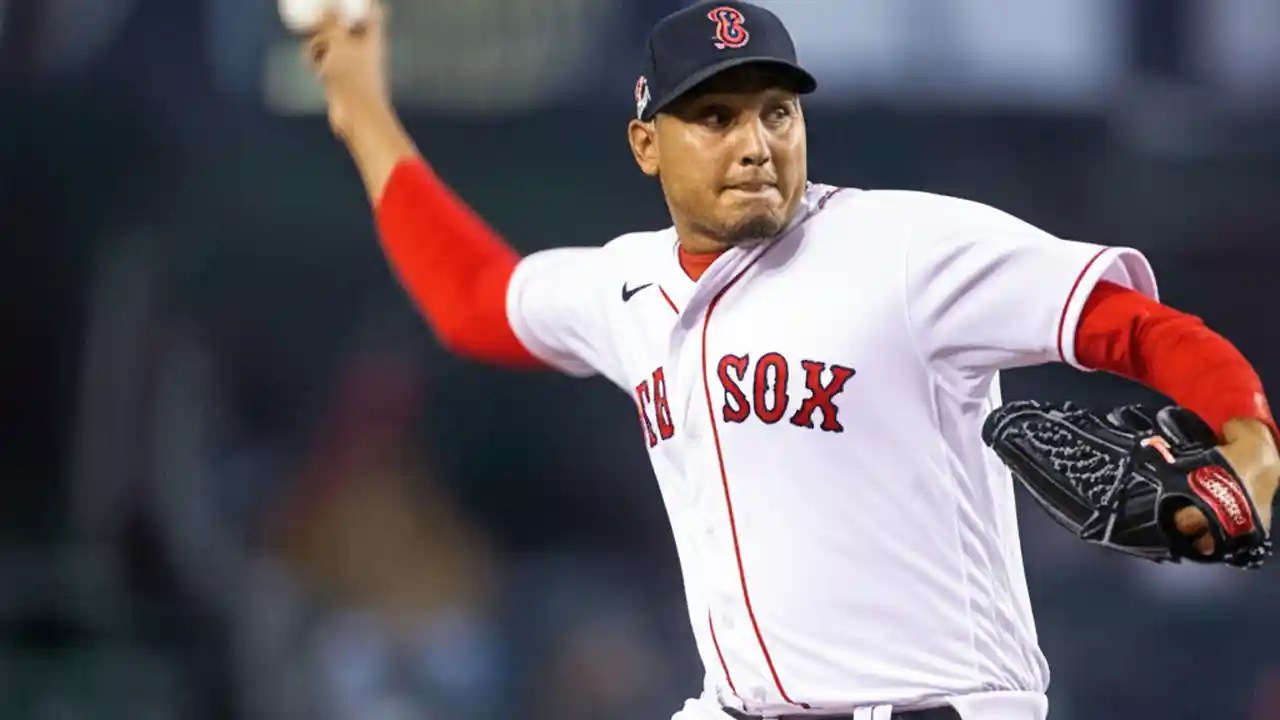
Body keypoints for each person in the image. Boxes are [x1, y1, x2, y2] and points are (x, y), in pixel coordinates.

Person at [301, 2, 1278, 718]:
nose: (755, 142)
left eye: (775, 111)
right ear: (646, 144)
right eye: (715, 117)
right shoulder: (626, 287)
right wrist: (359, 112)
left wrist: (1249, 450)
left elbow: (1136, 331)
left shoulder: (903, 248)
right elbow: (474, 301)